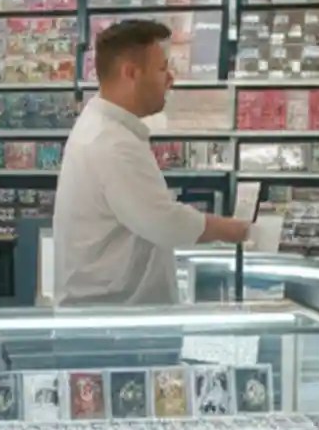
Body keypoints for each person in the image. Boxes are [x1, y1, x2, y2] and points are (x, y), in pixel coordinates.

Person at [54, 20, 250, 306]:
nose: (170, 78)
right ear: (131, 73)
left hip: (112, 322)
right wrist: (237, 230)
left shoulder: (103, 129)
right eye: (162, 68)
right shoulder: (111, 142)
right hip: (116, 328)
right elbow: (164, 222)